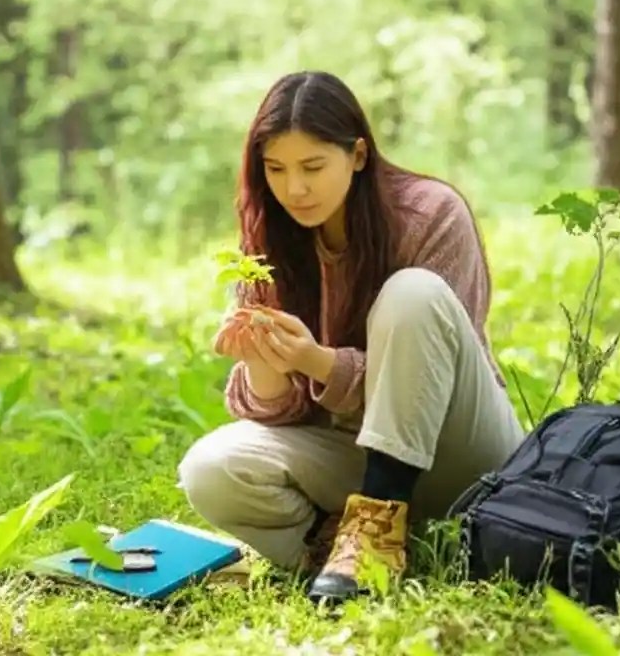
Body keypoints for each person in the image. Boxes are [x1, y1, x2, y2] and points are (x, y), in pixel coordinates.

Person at [177, 70, 526, 603]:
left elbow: (436, 372)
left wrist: (319, 362)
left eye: (313, 166)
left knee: (412, 294)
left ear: (358, 155)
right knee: (210, 467)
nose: (295, 188)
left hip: (458, 449)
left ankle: (378, 526)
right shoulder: (268, 236)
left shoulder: (430, 213)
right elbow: (280, 414)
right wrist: (265, 365)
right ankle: (351, 553)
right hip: (350, 449)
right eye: (276, 169)